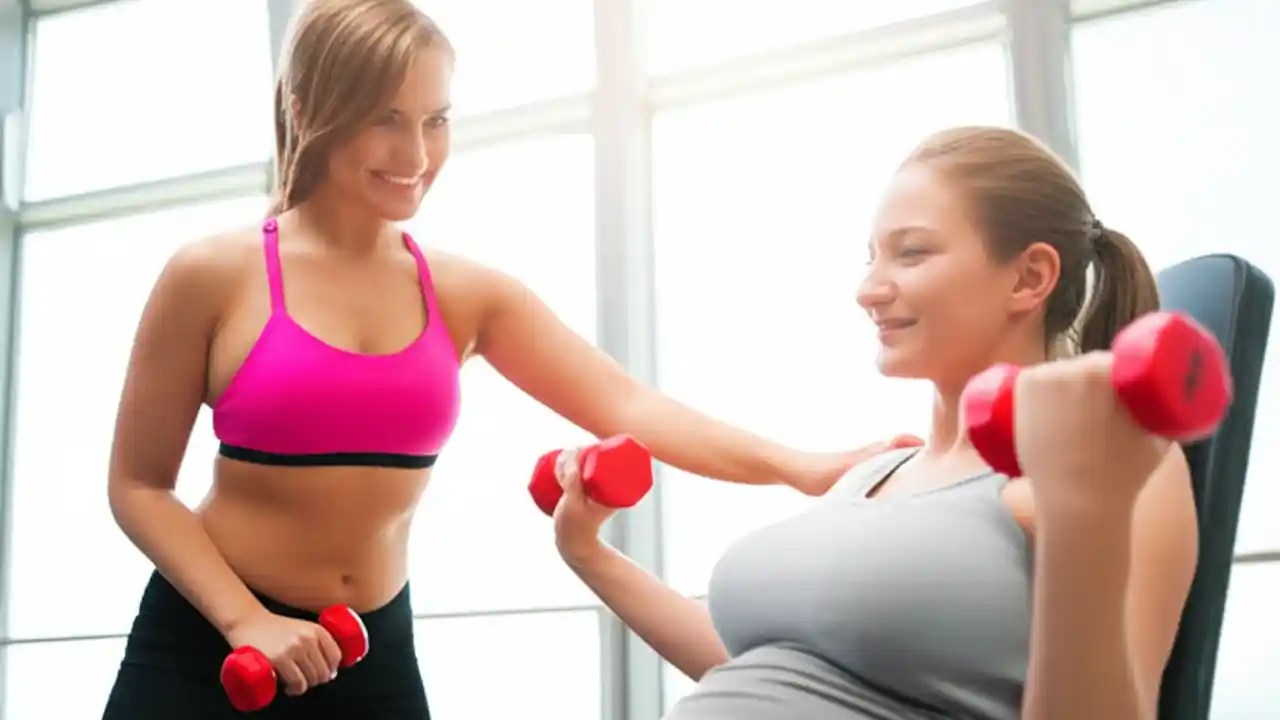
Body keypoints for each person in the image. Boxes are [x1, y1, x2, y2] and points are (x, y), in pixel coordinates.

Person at [99, 1, 916, 718]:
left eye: (436, 119)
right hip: (208, 649)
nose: (417, 151)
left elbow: (631, 408)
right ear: (311, 107)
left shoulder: (465, 294)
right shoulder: (211, 275)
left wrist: (801, 467)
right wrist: (247, 620)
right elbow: (138, 485)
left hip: (372, 659)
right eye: (385, 117)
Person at [550, 126, 1201, 719]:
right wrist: (589, 553)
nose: (868, 289)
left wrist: (1082, 511)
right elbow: (765, 669)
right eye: (872, 257)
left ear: (1029, 277)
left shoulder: (1110, 462)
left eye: (911, 255)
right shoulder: (879, 470)